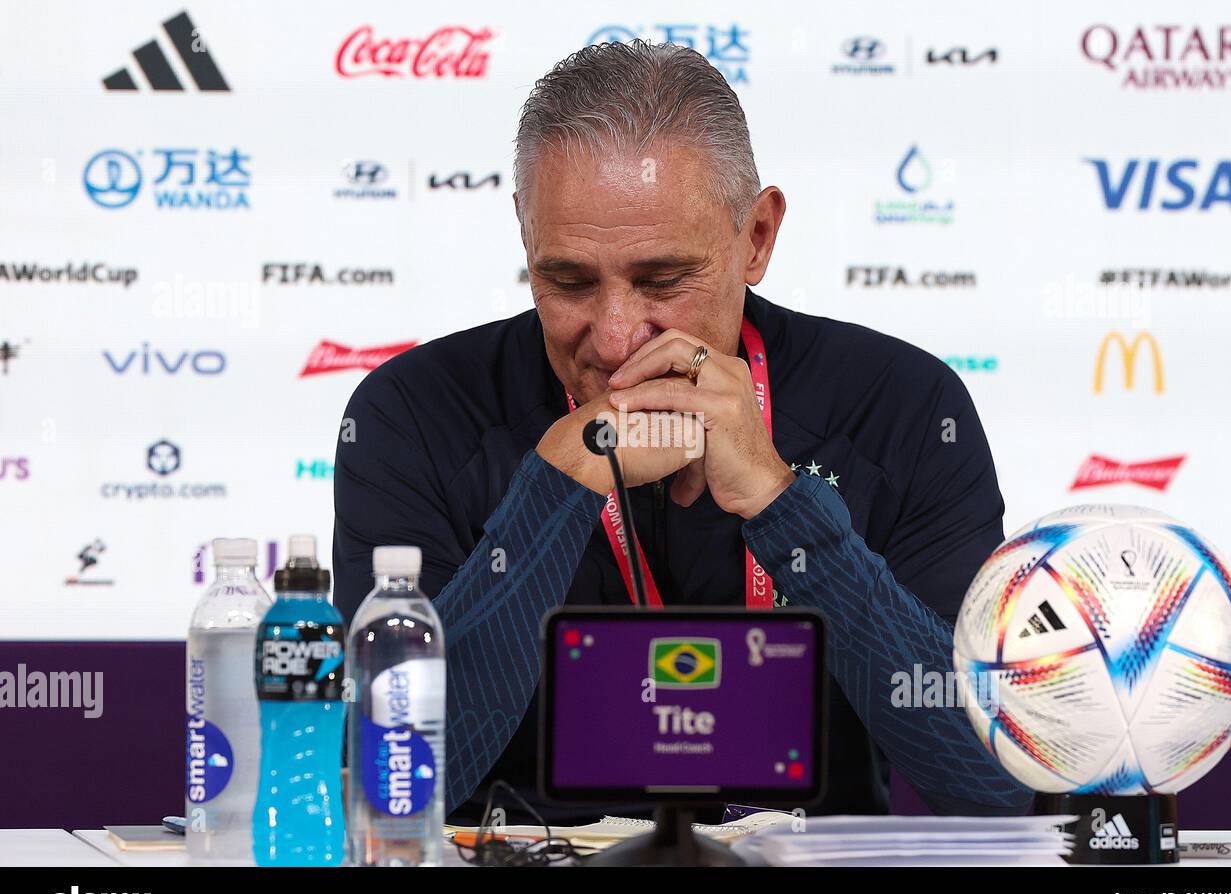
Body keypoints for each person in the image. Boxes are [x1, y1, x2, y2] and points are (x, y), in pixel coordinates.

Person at [333, 40, 1032, 824]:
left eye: (663, 280)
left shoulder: (901, 405)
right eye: (567, 281)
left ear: (757, 237)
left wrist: (781, 504)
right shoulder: (412, 413)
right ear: (525, 240)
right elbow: (390, 782)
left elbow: (993, 780)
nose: (616, 337)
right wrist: (554, 492)